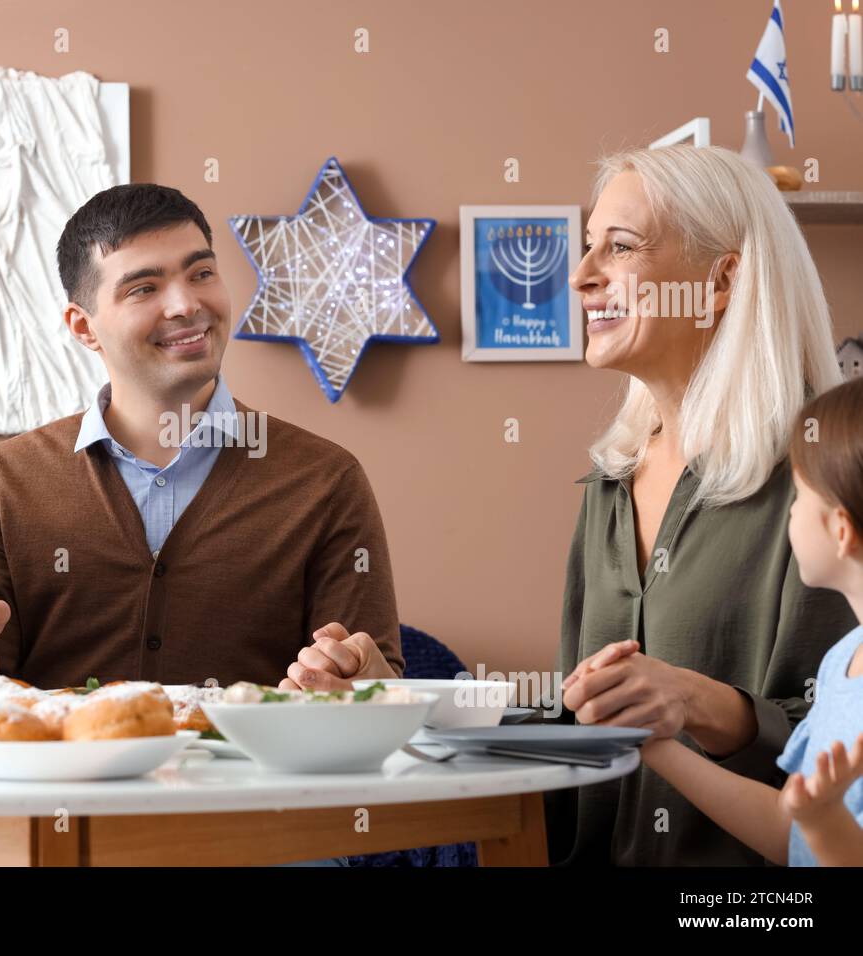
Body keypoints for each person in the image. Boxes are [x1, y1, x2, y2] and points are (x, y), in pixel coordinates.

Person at [269, 146, 858, 866]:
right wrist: (391, 697)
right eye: (587, 247)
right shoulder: (611, 484)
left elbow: (840, 733)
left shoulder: (819, 478)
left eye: (620, 247)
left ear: (719, 281)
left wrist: (708, 706)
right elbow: (571, 723)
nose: (580, 276)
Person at [0, 183, 404, 689]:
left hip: (255, 773)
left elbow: (374, 680)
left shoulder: (325, 479)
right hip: (61, 772)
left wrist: (363, 688)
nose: (185, 304)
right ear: (83, 328)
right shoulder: (7, 479)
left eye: (201, 273)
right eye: (143, 288)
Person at [640, 377, 863, 866]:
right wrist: (656, 747)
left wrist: (825, 824)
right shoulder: (842, 661)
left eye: (800, 497)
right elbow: (789, 829)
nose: (791, 512)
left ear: (841, 530)